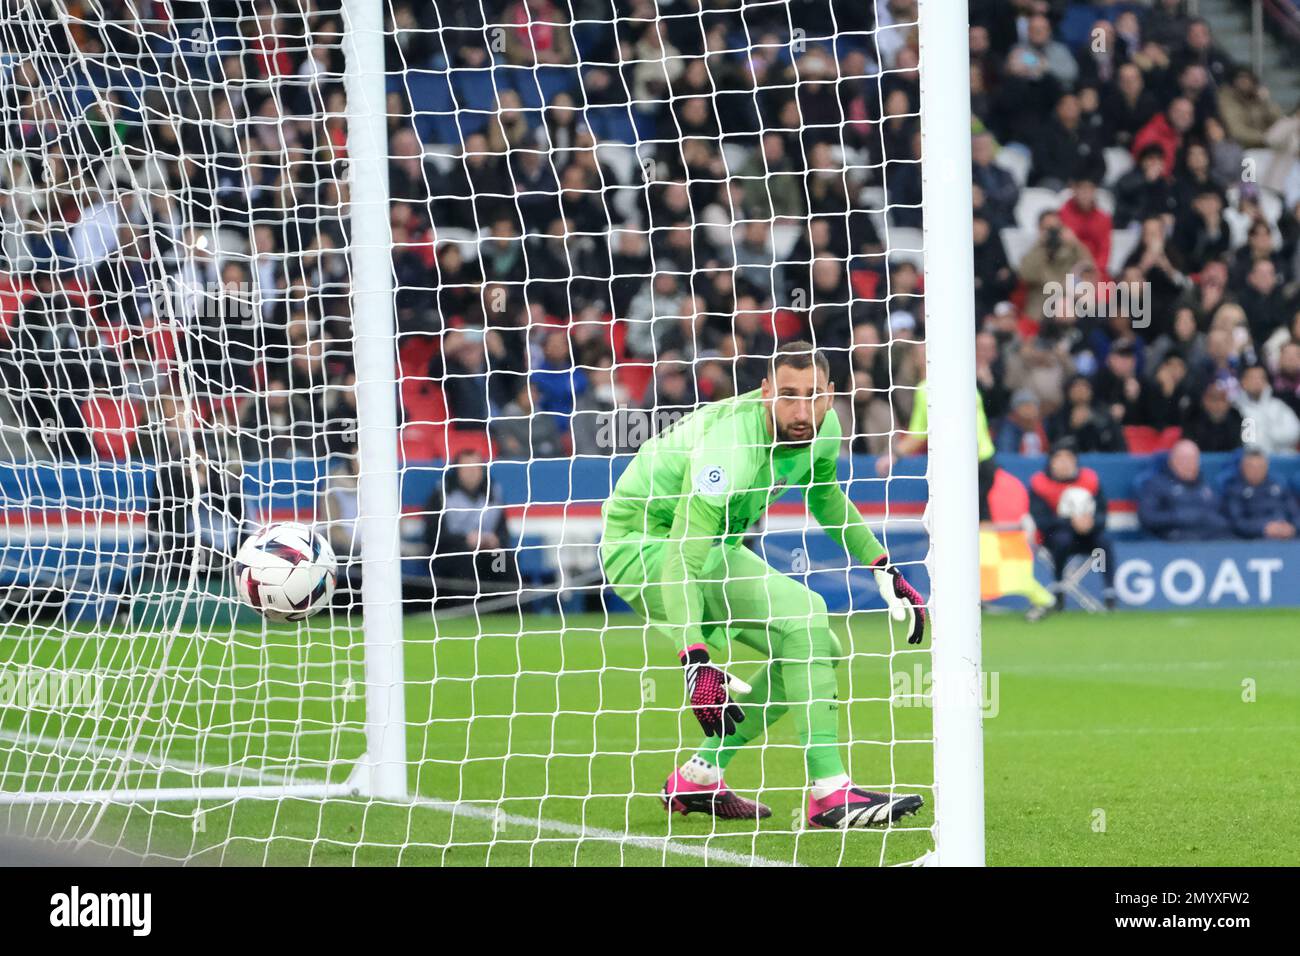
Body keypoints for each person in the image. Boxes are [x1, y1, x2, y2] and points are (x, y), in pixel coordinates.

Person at [601, 342, 926, 829]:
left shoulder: (823, 427)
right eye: (788, 395)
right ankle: (831, 794)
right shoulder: (729, 448)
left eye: (813, 395)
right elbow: (683, 559)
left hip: (710, 548)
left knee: (820, 643)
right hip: (645, 547)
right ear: (766, 391)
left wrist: (881, 564)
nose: (801, 409)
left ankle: (700, 775)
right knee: (806, 614)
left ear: (831, 394)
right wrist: (694, 658)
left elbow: (826, 499)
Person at [1029, 442, 1116, 615]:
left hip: (1087, 534)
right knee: (1062, 540)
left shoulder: (1089, 481)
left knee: (1103, 544)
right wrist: (1070, 522)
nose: (1064, 464)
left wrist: (1092, 523)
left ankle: (1109, 592)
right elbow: (1041, 519)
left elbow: (1102, 514)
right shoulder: (1040, 484)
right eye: (1059, 459)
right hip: (1054, 535)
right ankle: (1059, 589)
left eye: (1068, 459)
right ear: (1051, 462)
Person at [424, 450, 520, 607]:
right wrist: (465, 540)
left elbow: (503, 533)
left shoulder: (493, 494)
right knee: (466, 559)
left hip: (487, 555)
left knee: (503, 560)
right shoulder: (441, 495)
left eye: (476, 468)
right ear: (458, 471)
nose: (472, 473)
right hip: (452, 555)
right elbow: (433, 536)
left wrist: (495, 540)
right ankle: (466, 609)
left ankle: (507, 608)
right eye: (467, 469)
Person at [1137, 439, 1232, 540]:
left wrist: (1208, 519)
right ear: (1171, 461)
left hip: (1210, 541)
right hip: (1174, 541)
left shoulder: (1206, 488)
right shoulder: (1157, 485)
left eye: (1193, 459)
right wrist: (1177, 516)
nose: (1189, 464)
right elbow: (1147, 517)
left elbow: (1223, 517)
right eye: (1184, 459)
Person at [1222, 447, 1300, 539]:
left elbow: (1295, 513)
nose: (1256, 471)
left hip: (1288, 538)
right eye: (1251, 467)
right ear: (1242, 467)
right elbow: (1236, 522)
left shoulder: (1279, 485)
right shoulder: (1234, 490)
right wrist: (1264, 528)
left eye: (1260, 467)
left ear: (1267, 467)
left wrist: (1292, 528)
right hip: (1255, 540)